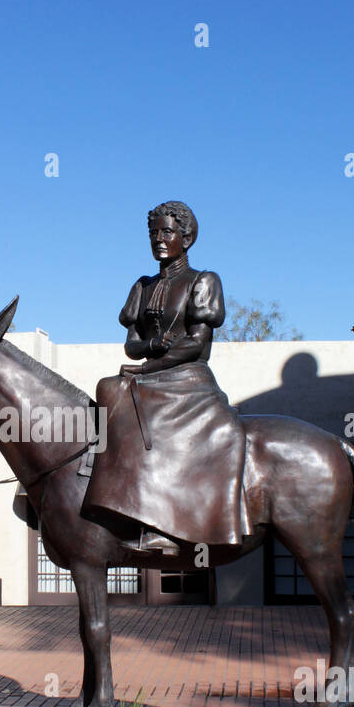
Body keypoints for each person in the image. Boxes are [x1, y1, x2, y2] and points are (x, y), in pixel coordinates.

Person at [82, 201, 251, 555]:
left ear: (186, 238)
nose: (159, 239)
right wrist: (151, 345)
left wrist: (146, 367)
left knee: (142, 415)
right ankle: (98, 484)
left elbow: (196, 343)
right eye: (153, 233)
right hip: (150, 376)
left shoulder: (203, 281)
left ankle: (165, 524)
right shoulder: (142, 287)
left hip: (188, 378)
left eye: (167, 232)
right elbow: (131, 346)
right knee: (106, 389)